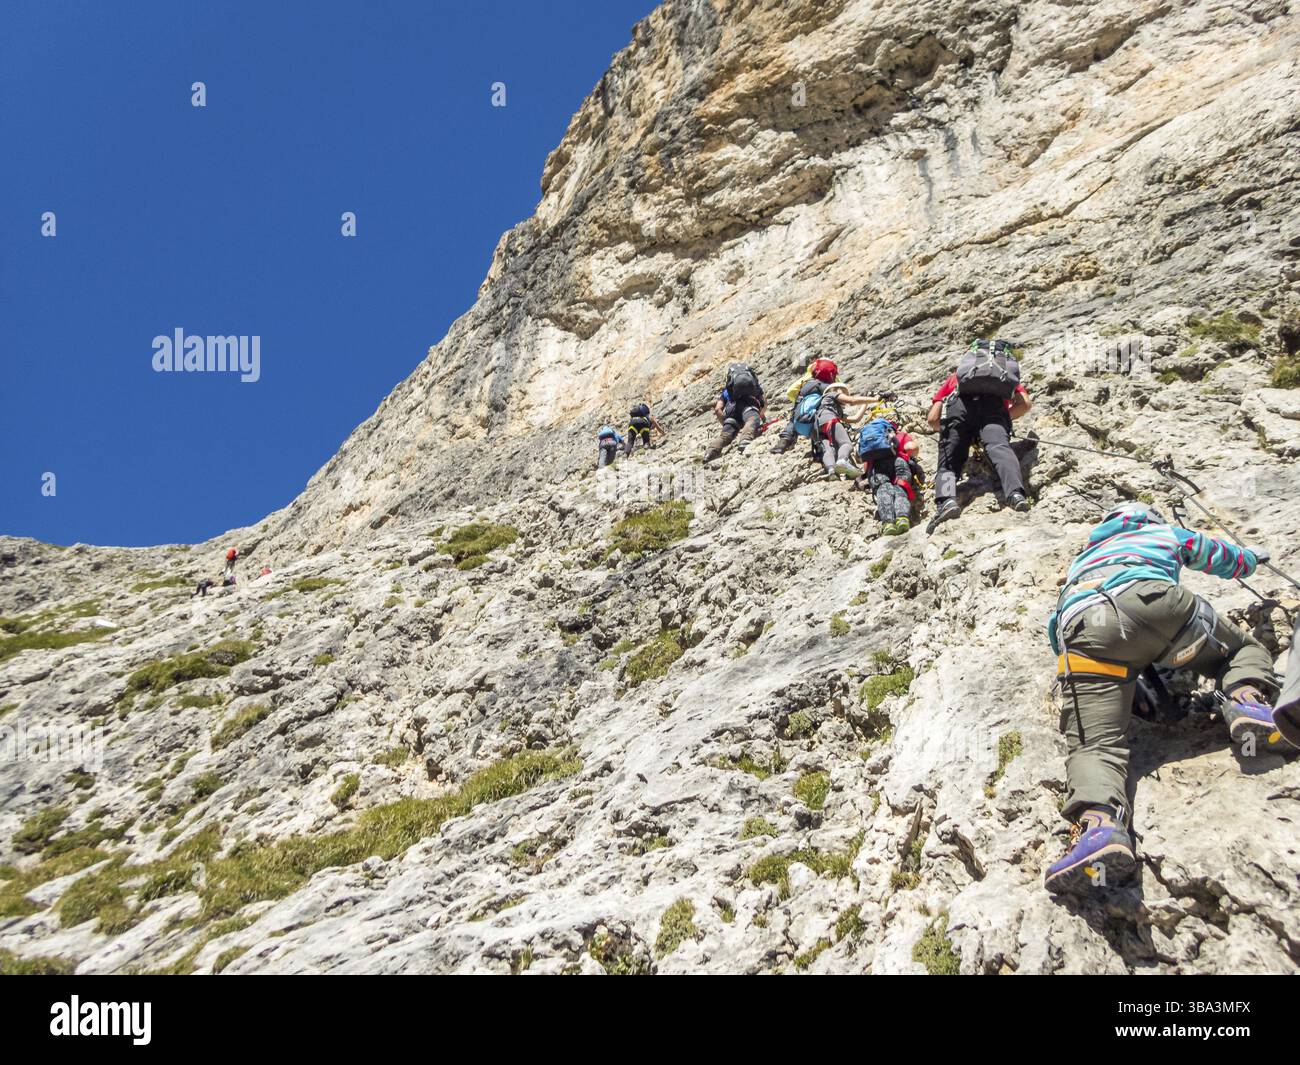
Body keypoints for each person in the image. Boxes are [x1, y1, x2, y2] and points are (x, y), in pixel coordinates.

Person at [1043, 502, 1289, 895]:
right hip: (1154, 603)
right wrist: (1249, 561)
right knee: (1242, 652)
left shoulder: (1083, 561)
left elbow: (1055, 628)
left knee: (1094, 745)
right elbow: (1212, 554)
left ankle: (1099, 827)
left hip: (1083, 627)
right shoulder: (1159, 533)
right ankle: (1245, 700)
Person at [926, 339, 1032, 530]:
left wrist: (952, 432)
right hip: (994, 408)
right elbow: (1025, 403)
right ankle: (1016, 494)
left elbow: (933, 419)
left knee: (949, 459)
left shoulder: (956, 378)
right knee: (1000, 449)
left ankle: (946, 501)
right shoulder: (1001, 373)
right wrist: (1002, 419)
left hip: (960, 408)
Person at [855, 402, 921, 535]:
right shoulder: (899, 435)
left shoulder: (870, 441)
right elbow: (910, 448)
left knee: (883, 491)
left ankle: (888, 523)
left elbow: (864, 462)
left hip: (876, 467)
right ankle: (902, 518)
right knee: (900, 488)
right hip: (899, 462)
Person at [773, 358, 838, 454]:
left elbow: (790, 391)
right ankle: (823, 447)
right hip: (815, 417)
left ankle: (784, 441)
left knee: (794, 419)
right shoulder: (829, 382)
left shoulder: (807, 378)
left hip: (799, 410)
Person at [704, 363, 767, 462]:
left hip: (731, 410)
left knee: (725, 436)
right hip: (748, 405)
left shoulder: (727, 391)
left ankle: (709, 453)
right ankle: (745, 440)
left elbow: (717, 409)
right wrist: (759, 416)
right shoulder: (755, 386)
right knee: (751, 419)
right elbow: (764, 403)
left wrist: (726, 422)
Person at [814, 383, 874, 478]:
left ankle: (831, 471)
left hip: (818, 427)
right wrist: (876, 399)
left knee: (828, 450)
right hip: (829, 419)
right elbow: (852, 401)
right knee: (846, 444)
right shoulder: (832, 394)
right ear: (838, 390)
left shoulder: (829, 406)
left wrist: (865, 403)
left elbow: (855, 418)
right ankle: (842, 461)